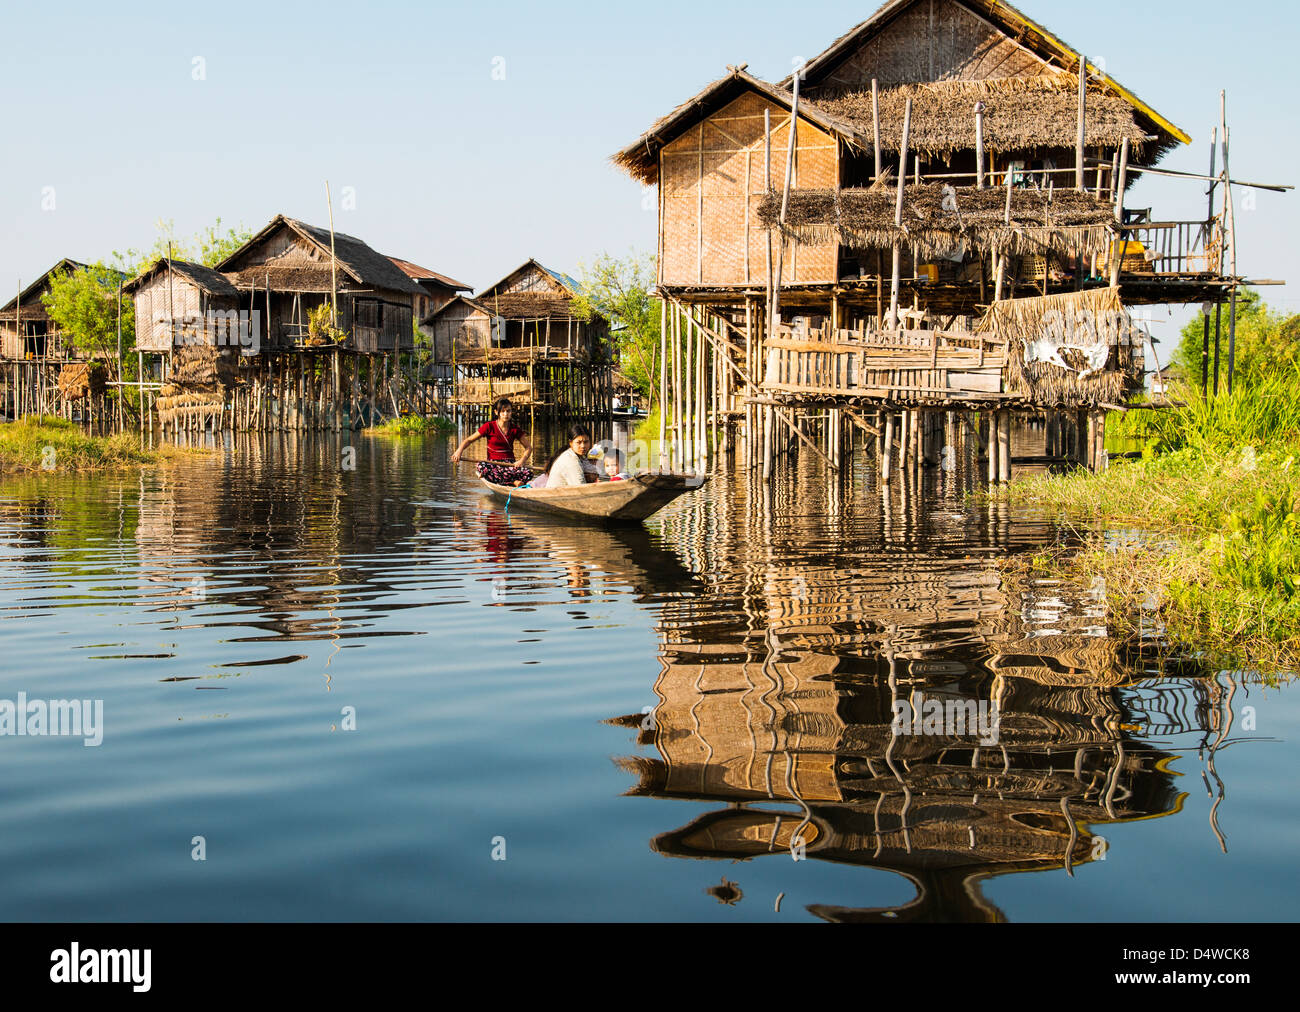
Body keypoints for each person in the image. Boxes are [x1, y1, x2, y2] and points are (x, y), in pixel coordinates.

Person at [450, 398, 533, 486]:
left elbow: (528, 447)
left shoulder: (515, 429)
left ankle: (500, 478)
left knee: (528, 473)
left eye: (508, 411)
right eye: (502, 411)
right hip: (493, 464)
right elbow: (469, 440)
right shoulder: (489, 426)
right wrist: (459, 451)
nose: (506, 414)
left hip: (510, 464)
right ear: (496, 412)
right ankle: (513, 481)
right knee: (481, 466)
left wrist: (522, 461)